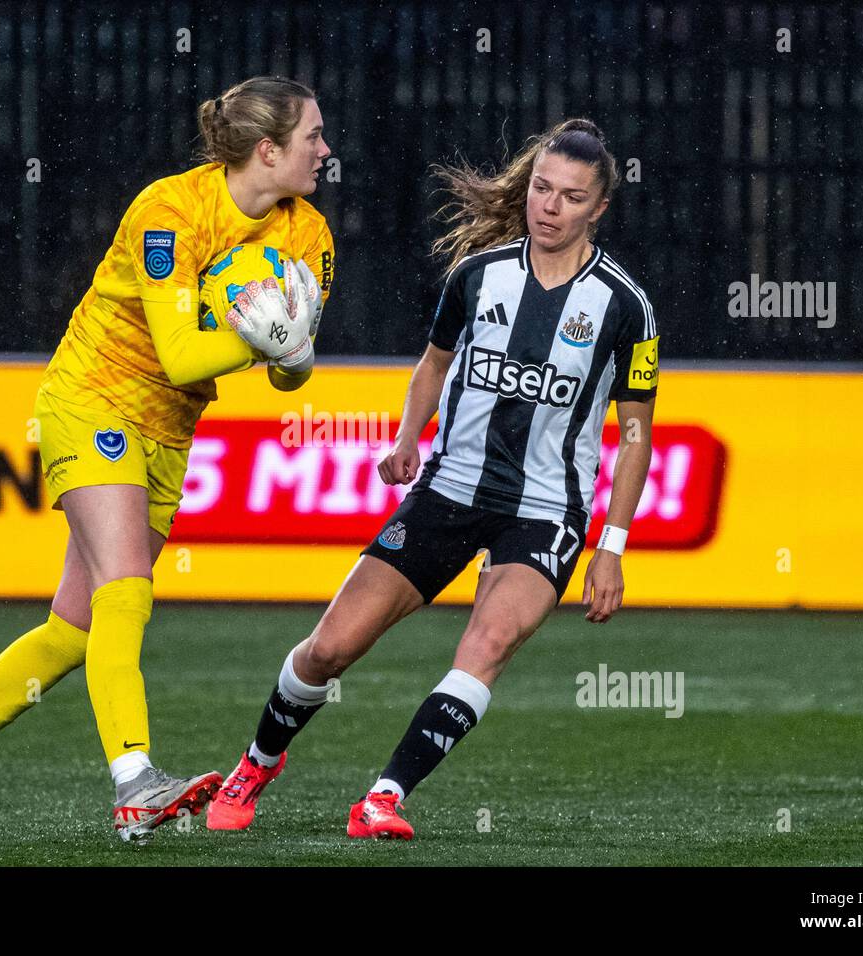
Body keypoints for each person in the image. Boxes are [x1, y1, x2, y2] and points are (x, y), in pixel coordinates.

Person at [0, 76, 334, 843]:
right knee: (127, 589)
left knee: (76, 627)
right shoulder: (170, 212)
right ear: (267, 149)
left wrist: (292, 354)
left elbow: (293, 367)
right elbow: (183, 353)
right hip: (92, 398)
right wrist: (267, 339)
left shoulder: (308, 235)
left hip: (169, 430)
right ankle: (136, 782)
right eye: (313, 137)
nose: (326, 151)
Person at [206, 118, 657, 840]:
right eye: (542, 188)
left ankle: (383, 797)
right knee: (329, 648)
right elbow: (435, 364)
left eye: (571, 197)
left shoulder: (624, 306)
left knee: (487, 645)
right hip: (449, 490)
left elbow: (636, 431)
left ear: (598, 209)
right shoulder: (477, 276)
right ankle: (256, 762)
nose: (549, 206)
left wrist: (613, 544)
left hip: (546, 509)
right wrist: (407, 438)